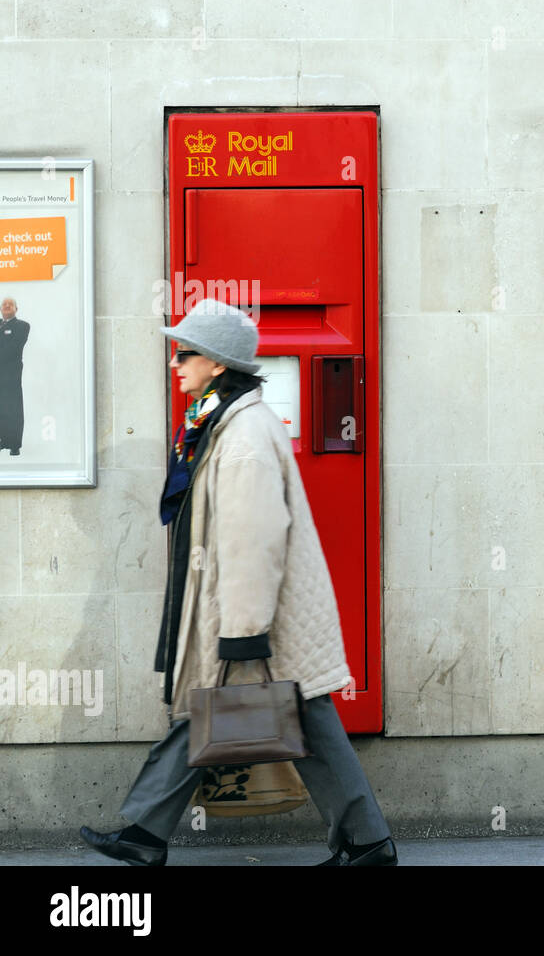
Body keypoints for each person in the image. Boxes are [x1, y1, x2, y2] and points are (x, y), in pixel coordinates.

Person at [80, 298, 396, 866]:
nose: (176, 363)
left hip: (256, 621)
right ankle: (146, 836)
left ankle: (369, 843)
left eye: (186, 352)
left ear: (218, 364)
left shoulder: (243, 435)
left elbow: (255, 538)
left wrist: (245, 629)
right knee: (238, 715)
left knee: (245, 715)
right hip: (246, 616)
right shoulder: (218, 422)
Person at [0, 296, 30, 455]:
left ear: (16, 309)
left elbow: (14, 347)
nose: (6, 306)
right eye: (4, 304)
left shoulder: (22, 326)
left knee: (13, 407)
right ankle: (2, 440)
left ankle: (14, 444)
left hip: (10, 374)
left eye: (10, 304)